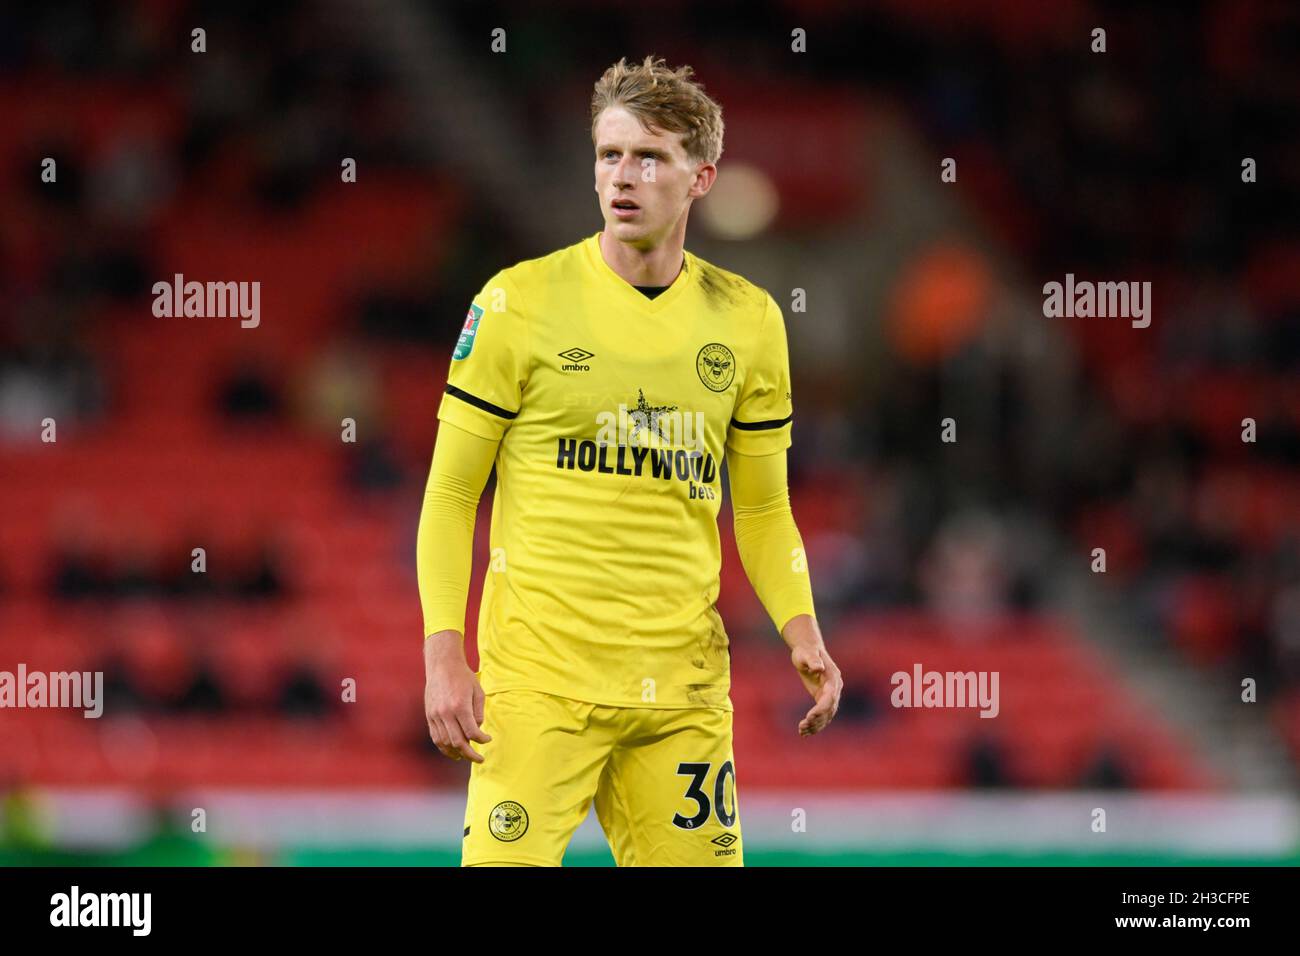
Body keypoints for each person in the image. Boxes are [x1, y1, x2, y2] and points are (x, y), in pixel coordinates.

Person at [416, 56, 842, 867]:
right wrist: (444, 652)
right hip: (539, 685)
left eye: (649, 157)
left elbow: (760, 508)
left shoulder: (748, 322)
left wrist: (801, 628)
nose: (624, 176)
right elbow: (450, 493)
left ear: (701, 176)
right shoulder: (517, 304)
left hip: (680, 694)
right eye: (609, 155)